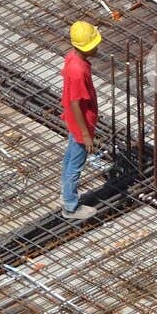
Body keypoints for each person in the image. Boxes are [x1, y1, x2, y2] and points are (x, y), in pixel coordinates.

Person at [60, 21, 102, 222]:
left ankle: (66, 195)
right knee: (76, 164)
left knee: (69, 159)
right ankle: (70, 206)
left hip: (75, 121)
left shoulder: (73, 59)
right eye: (94, 44)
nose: (97, 47)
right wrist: (85, 134)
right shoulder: (79, 71)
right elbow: (76, 103)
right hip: (80, 124)